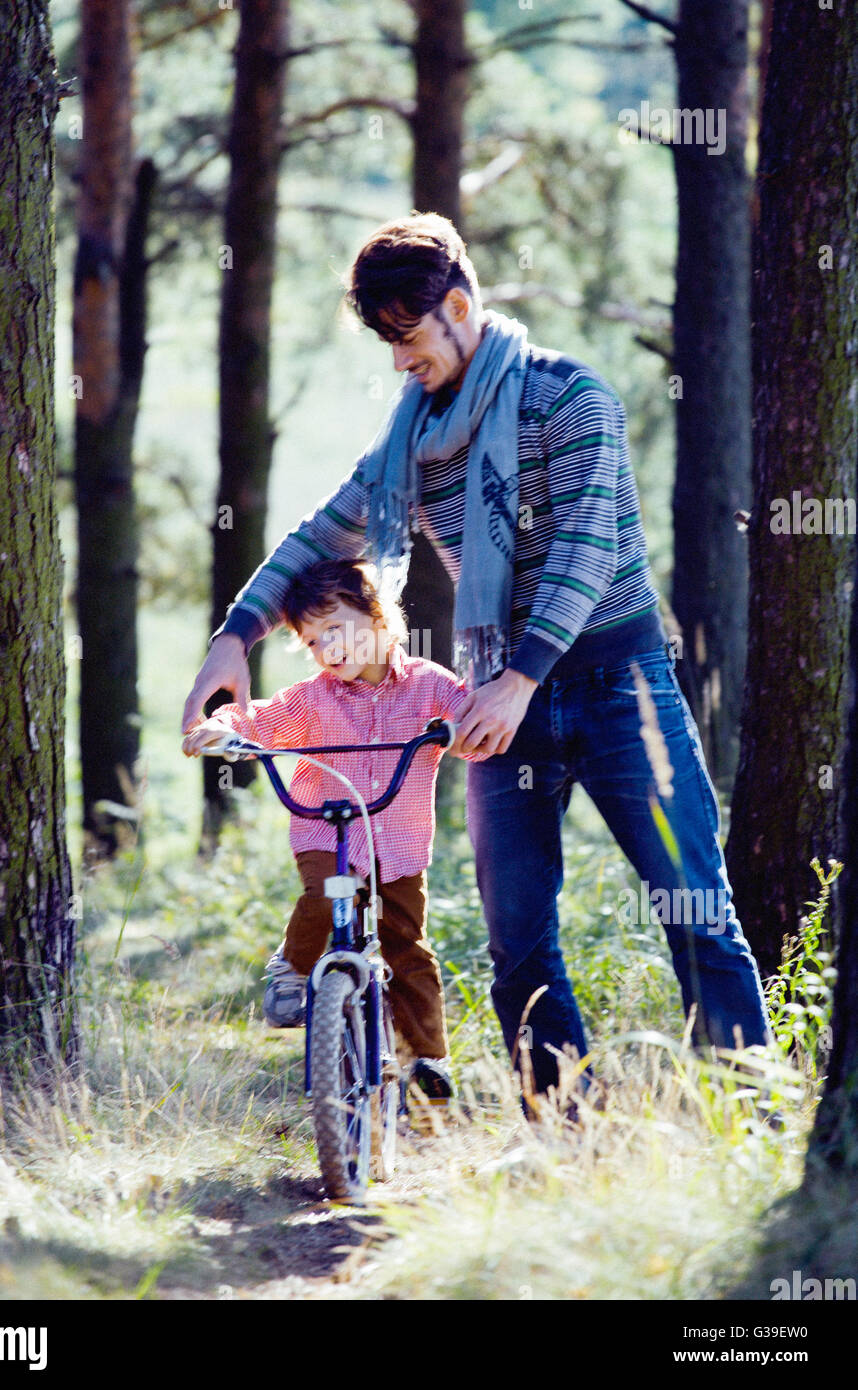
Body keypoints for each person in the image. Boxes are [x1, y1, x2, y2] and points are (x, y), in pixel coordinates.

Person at [183, 212, 771, 1106]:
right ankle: (563, 1126)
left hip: (619, 688)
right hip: (497, 702)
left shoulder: (573, 398)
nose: (397, 362)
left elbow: (584, 551)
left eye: (408, 337)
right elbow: (318, 538)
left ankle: (751, 1114)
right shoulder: (408, 447)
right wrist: (235, 637)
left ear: (459, 306)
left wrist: (521, 678)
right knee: (519, 941)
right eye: (383, 342)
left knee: (692, 906)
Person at [183, 557, 471, 1102]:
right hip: (328, 832)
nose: (326, 649)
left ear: (379, 616)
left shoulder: (427, 684)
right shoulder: (315, 698)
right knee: (325, 895)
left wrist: (462, 727)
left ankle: (428, 1060)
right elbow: (263, 720)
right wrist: (220, 729)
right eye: (313, 641)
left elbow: (467, 712)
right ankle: (292, 969)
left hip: (399, 846)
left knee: (406, 947)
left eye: (335, 629)